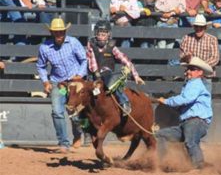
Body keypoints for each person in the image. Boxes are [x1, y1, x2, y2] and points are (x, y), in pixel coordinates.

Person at [36, 18, 87, 152]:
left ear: (65, 31)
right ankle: (63, 143)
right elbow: (41, 66)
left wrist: (80, 75)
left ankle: (78, 134)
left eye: (61, 32)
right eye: (56, 32)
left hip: (74, 83)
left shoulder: (74, 42)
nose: (59, 35)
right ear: (52, 33)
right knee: (57, 112)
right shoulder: (45, 48)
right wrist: (45, 81)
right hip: (58, 83)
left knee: (75, 113)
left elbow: (84, 60)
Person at [156, 57, 213, 169]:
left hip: (196, 121)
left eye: (192, 69)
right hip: (187, 123)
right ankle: (161, 162)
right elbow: (185, 102)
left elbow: (185, 99)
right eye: (188, 69)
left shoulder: (195, 84)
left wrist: (166, 101)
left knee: (190, 142)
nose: (188, 71)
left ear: (200, 72)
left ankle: (199, 167)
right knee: (160, 135)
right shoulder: (190, 85)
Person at [85, 20, 145, 115]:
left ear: (108, 35)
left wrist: (136, 75)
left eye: (104, 34)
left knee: (112, 83)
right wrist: (96, 73)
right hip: (93, 74)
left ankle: (124, 102)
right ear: (95, 34)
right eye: (99, 34)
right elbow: (91, 61)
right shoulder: (91, 44)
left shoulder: (112, 47)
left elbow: (125, 60)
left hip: (107, 73)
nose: (101, 37)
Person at [179, 14, 220, 93]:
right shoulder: (186, 38)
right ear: (194, 27)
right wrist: (188, 58)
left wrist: (200, 67)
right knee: (187, 98)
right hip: (190, 74)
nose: (198, 29)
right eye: (197, 26)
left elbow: (215, 58)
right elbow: (182, 55)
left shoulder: (212, 39)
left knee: (205, 100)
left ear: (205, 28)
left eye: (201, 27)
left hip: (206, 75)